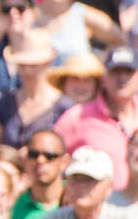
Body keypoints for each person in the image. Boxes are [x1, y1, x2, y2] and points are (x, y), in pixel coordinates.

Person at [53, 45, 138, 193]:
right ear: (104, 77)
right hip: (96, 210)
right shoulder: (77, 116)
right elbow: (51, 161)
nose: (122, 78)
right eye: (116, 71)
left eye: (128, 71)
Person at [0, 29, 65, 148]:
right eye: (22, 65)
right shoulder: (6, 102)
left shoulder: (63, 107)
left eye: (33, 65)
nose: (27, 71)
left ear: (47, 64)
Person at [9, 128, 70, 219]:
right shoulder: (12, 205)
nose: (40, 160)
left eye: (49, 156)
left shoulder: (77, 200)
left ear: (64, 162)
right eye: (33, 154)